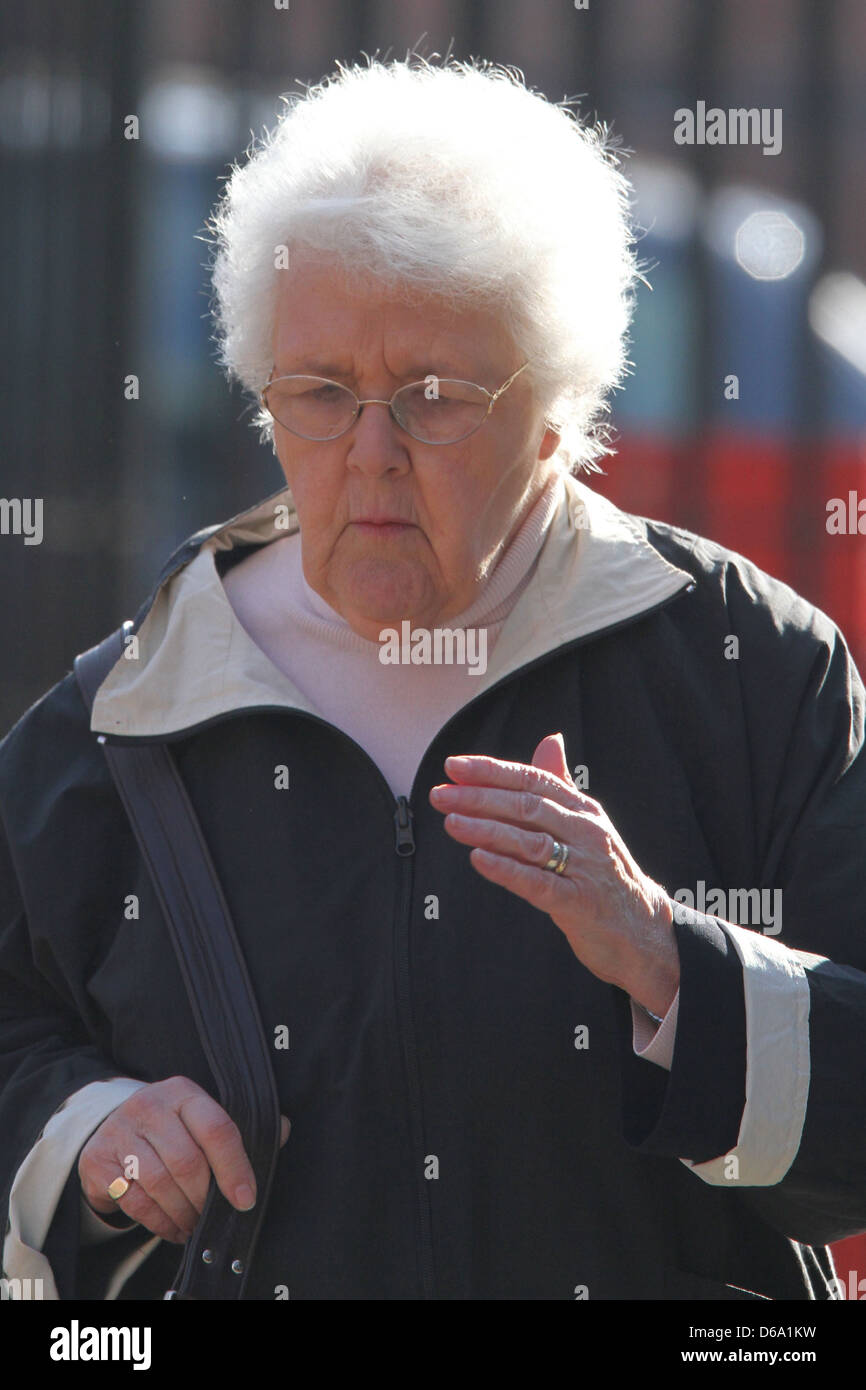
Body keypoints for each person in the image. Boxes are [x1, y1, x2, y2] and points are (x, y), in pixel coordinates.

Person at [1, 54, 865, 1302]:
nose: (369, 456)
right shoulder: (127, 711)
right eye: (317, 394)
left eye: (435, 399)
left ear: (560, 416)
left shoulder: (749, 669)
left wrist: (671, 962)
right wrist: (87, 1136)